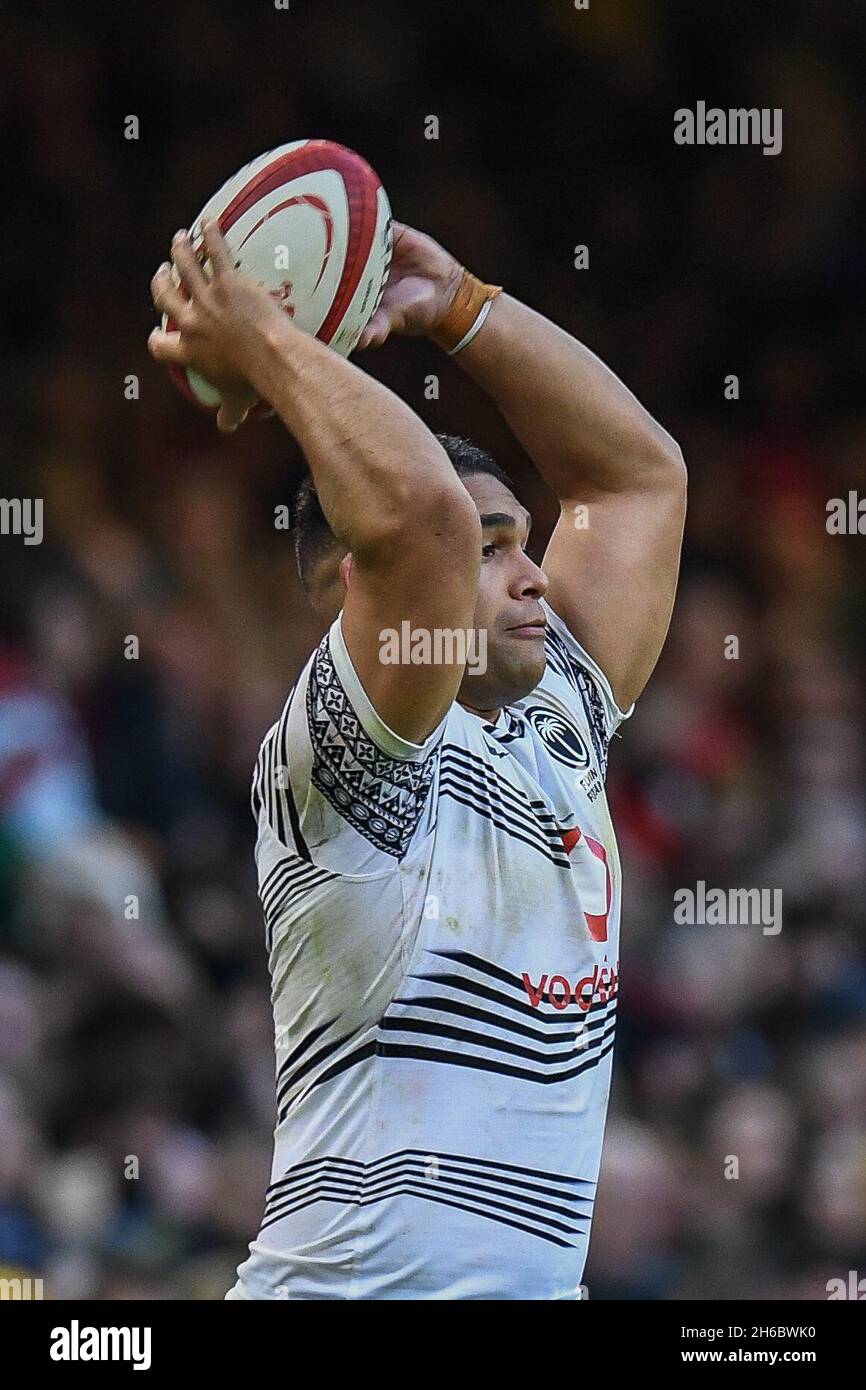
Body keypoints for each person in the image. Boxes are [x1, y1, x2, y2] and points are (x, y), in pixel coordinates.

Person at [149, 216, 686, 1300]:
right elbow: (419, 524)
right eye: (496, 551)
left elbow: (638, 480)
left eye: (524, 542)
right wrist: (270, 342)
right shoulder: (349, 757)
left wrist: (463, 310)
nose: (532, 576)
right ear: (349, 582)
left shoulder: (559, 715)